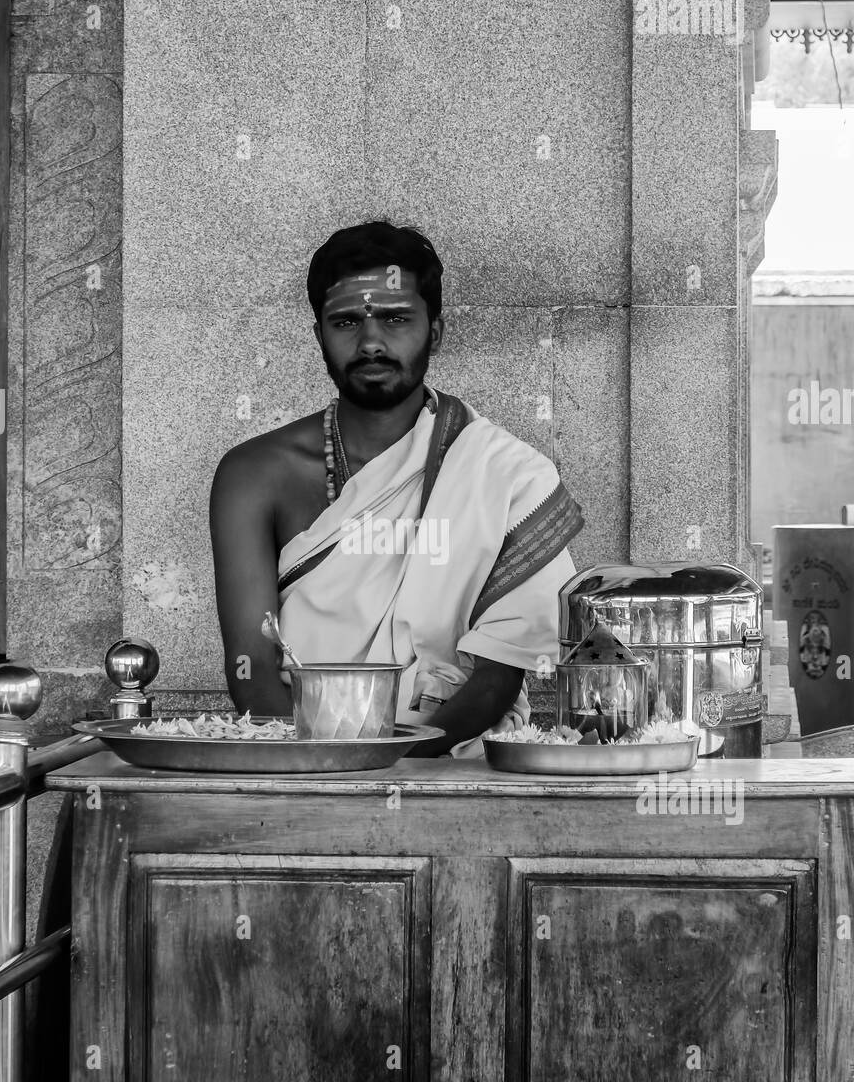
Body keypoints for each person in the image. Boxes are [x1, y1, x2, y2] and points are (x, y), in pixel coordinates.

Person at [209, 221, 584, 756]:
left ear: (435, 331)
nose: (370, 342)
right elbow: (250, 666)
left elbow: (498, 676)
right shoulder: (252, 474)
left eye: (396, 319)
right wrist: (311, 767)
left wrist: (394, 764)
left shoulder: (507, 475)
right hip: (297, 765)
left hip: (453, 766)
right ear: (318, 334)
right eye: (345, 322)